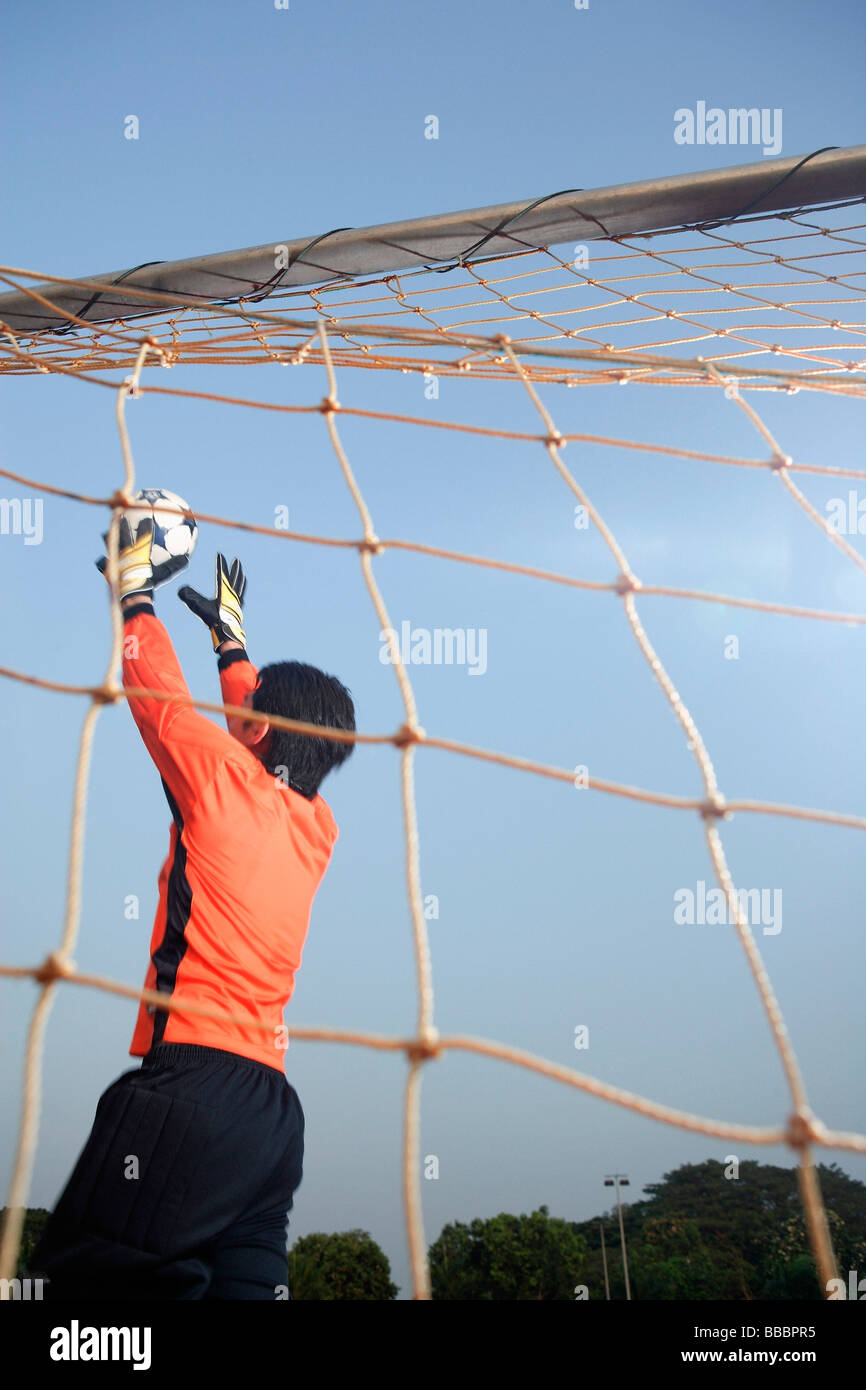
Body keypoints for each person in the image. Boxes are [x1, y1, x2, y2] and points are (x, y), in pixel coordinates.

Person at [30, 515, 355, 1299]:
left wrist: (132, 590)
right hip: (270, 1121)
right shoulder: (318, 825)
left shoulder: (221, 784)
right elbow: (269, 729)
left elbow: (157, 698)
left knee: (84, 1313)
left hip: (189, 1095)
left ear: (258, 729)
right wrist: (233, 645)